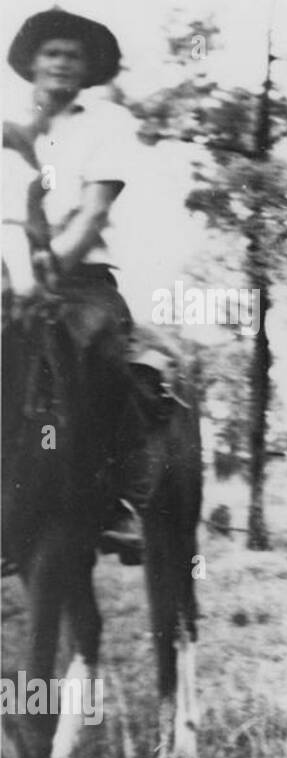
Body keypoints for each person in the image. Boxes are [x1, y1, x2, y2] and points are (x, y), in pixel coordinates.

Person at [5, 8, 173, 563]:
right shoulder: (6, 122)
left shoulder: (106, 124)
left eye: (73, 56)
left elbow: (93, 213)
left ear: (88, 69)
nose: (61, 64)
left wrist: (48, 269)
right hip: (7, 267)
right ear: (30, 61)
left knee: (96, 346)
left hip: (79, 277)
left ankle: (113, 496)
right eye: (51, 53)